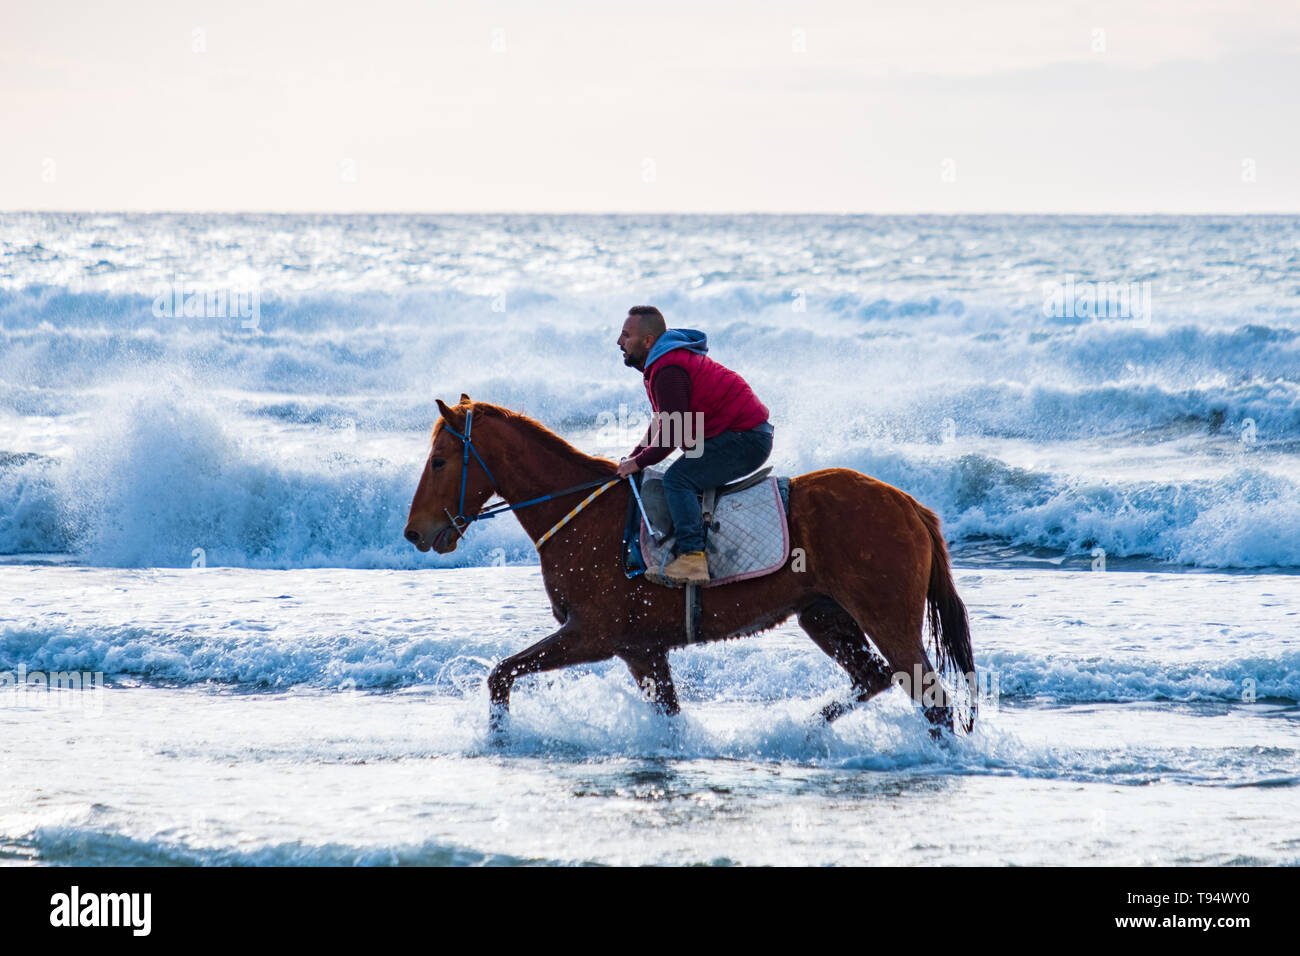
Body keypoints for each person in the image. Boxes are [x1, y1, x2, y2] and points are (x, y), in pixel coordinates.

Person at [615, 306, 773, 585]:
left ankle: (692, 558)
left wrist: (639, 462)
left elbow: (672, 435)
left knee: (678, 479)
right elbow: (661, 421)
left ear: (648, 340)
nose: (619, 342)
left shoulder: (668, 369)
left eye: (626, 335)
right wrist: (634, 455)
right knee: (679, 470)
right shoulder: (661, 365)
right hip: (728, 434)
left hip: (746, 438)